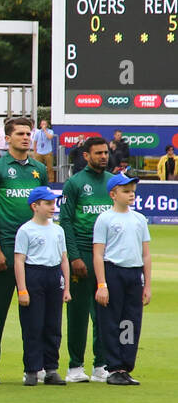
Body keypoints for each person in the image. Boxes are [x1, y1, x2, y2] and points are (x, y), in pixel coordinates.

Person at [0, 117, 45, 385]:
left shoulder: (39, 168)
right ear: (7, 139)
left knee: (34, 310)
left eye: (29, 133)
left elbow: (44, 210)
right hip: (6, 245)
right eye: (20, 133)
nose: (26, 137)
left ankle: (34, 366)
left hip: (36, 249)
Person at [59, 136, 110, 383]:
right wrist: (75, 256)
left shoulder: (114, 183)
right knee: (78, 314)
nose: (103, 156)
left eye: (105, 153)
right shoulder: (75, 183)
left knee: (104, 313)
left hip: (108, 256)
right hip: (82, 253)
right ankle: (75, 366)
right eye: (98, 153)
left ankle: (102, 364)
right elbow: (66, 221)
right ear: (86, 156)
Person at [93, 174, 152, 385]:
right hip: (113, 271)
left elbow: (145, 254)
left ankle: (126, 365)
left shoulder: (139, 219)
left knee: (130, 322)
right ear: (113, 194)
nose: (131, 195)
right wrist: (102, 284)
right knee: (110, 320)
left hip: (134, 274)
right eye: (126, 191)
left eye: (133, 191)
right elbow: (98, 253)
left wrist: (148, 284)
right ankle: (114, 367)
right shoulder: (105, 219)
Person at [13, 186, 70, 386]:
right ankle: (31, 369)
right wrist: (22, 289)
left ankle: (51, 369)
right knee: (33, 325)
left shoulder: (58, 229)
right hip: (34, 274)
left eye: (53, 203)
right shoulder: (26, 230)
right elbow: (19, 260)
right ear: (35, 206)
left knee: (53, 325)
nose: (52, 207)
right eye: (47, 203)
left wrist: (67, 287)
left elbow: (64, 259)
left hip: (54, 275)